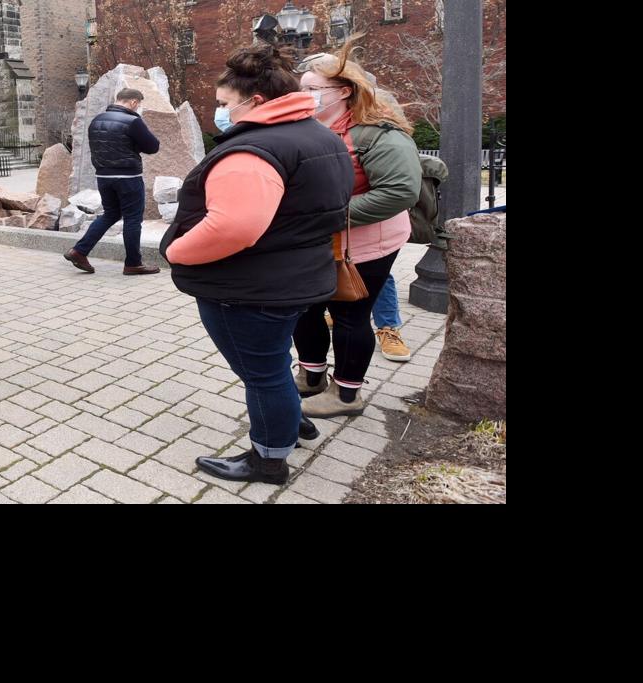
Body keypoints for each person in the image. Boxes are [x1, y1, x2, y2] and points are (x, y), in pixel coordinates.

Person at [159, 44, 352, 485]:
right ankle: (289, 421)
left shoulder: (251, 152)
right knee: (270, 362)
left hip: (247, 289)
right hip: (293, 277)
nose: (219, 112)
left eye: (225, 104)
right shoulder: (319, 135)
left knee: (260, 373)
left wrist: (175, 251)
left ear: (257, 101)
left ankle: (268, 459)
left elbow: (234, 228)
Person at [293, 38, 421, 417]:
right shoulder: (307, 127)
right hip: (318, 240)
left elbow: (399, 190)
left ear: (344, 91)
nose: (305, 96)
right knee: (306, 308)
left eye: (313, 90)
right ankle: (312, 374)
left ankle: (346, 395)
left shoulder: (379, 131)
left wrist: (329, 214)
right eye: (301, 89)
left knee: (349, 314)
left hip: (367, 244)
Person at [63, 88, 162, 276]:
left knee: (110, 214)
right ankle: (133, 263)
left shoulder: (97, 120)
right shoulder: (133, 121)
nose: (138, 108)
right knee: (133, 219)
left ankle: (79, 251)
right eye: (138, 104)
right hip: (128, 178)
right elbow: (152, 146)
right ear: (133, 102)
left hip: (103, 177)